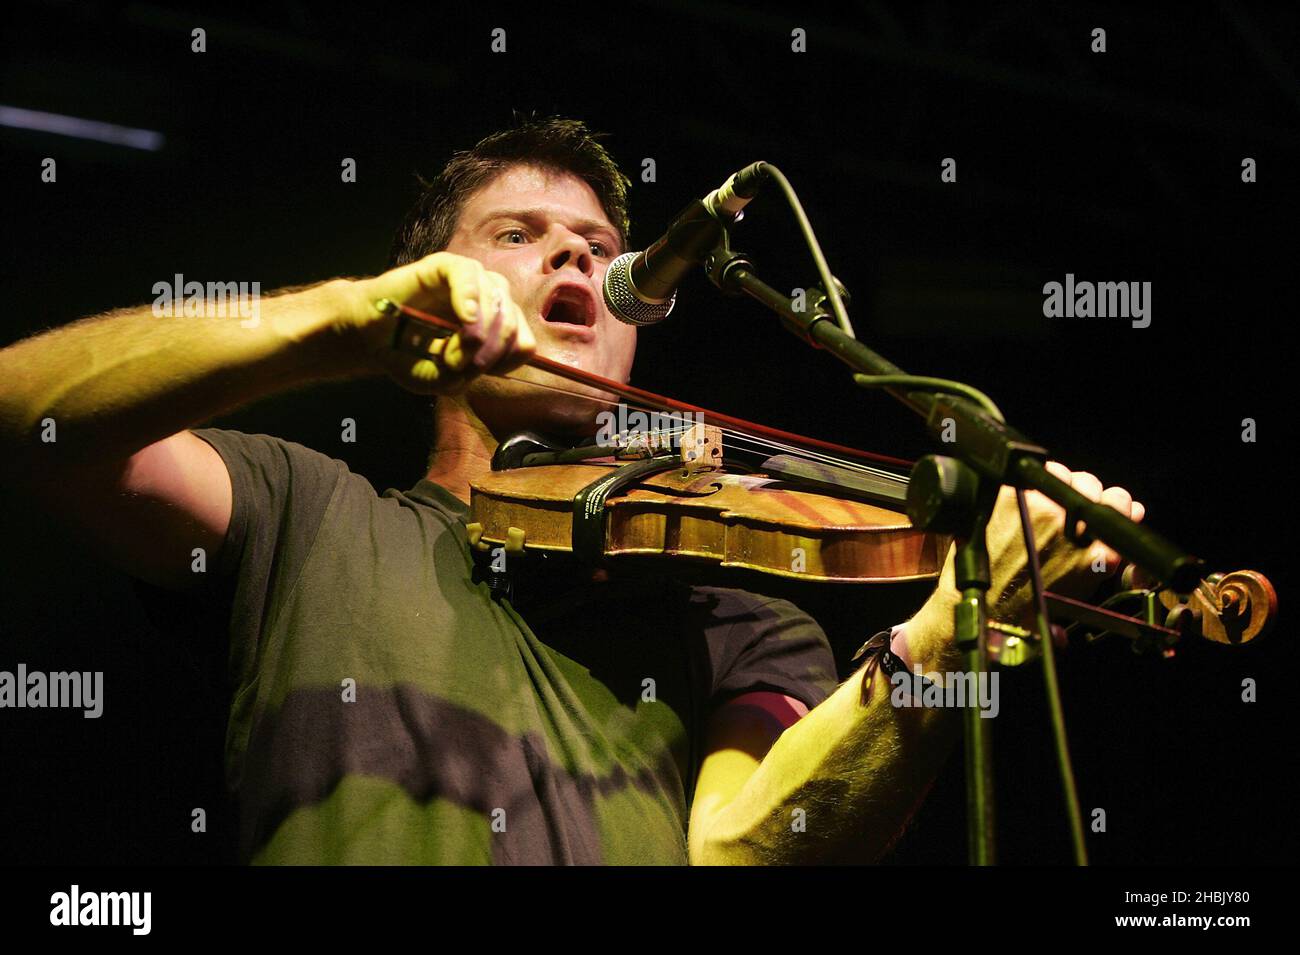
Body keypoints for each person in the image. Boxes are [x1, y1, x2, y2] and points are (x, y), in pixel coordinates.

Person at [0, 116, 1144, 864]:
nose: (570, 263)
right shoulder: (312, 515)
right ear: (434, 275)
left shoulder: (736, 620)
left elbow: (743, 851)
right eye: (519, 235)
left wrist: (947, 639)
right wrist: (342, 322)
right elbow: (31, 415)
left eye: (599, 250)